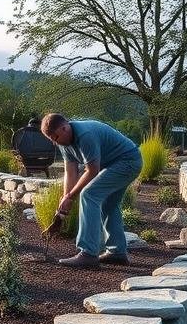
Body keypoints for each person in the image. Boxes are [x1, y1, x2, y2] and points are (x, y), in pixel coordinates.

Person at [40, 113, 142, 268]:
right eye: (52, 140)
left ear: (65, 127)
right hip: (115, 164)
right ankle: (117, 253)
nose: (55, 142)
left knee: (89, 194)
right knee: (109, 204)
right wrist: (65, 197)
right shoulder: (63, 142)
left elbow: (92, 170)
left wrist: (72, 196)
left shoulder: (85, 135)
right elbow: (70, 171)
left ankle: (88, 253)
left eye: (56, 137)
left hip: (128, 161)